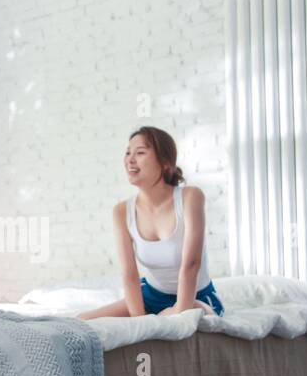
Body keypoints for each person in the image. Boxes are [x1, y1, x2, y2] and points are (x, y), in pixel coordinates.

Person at [80, 126, 225, 320]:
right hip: (151, 295)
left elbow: (191, 264)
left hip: (195, 297)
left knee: (188, 314)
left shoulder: (190, 197)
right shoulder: (122, 211)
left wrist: (178, 315)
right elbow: (129, 275)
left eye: (140, 153)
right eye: (127, 153)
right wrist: (140, 322)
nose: (130, 159)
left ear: (165, 162)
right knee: (82, 320)